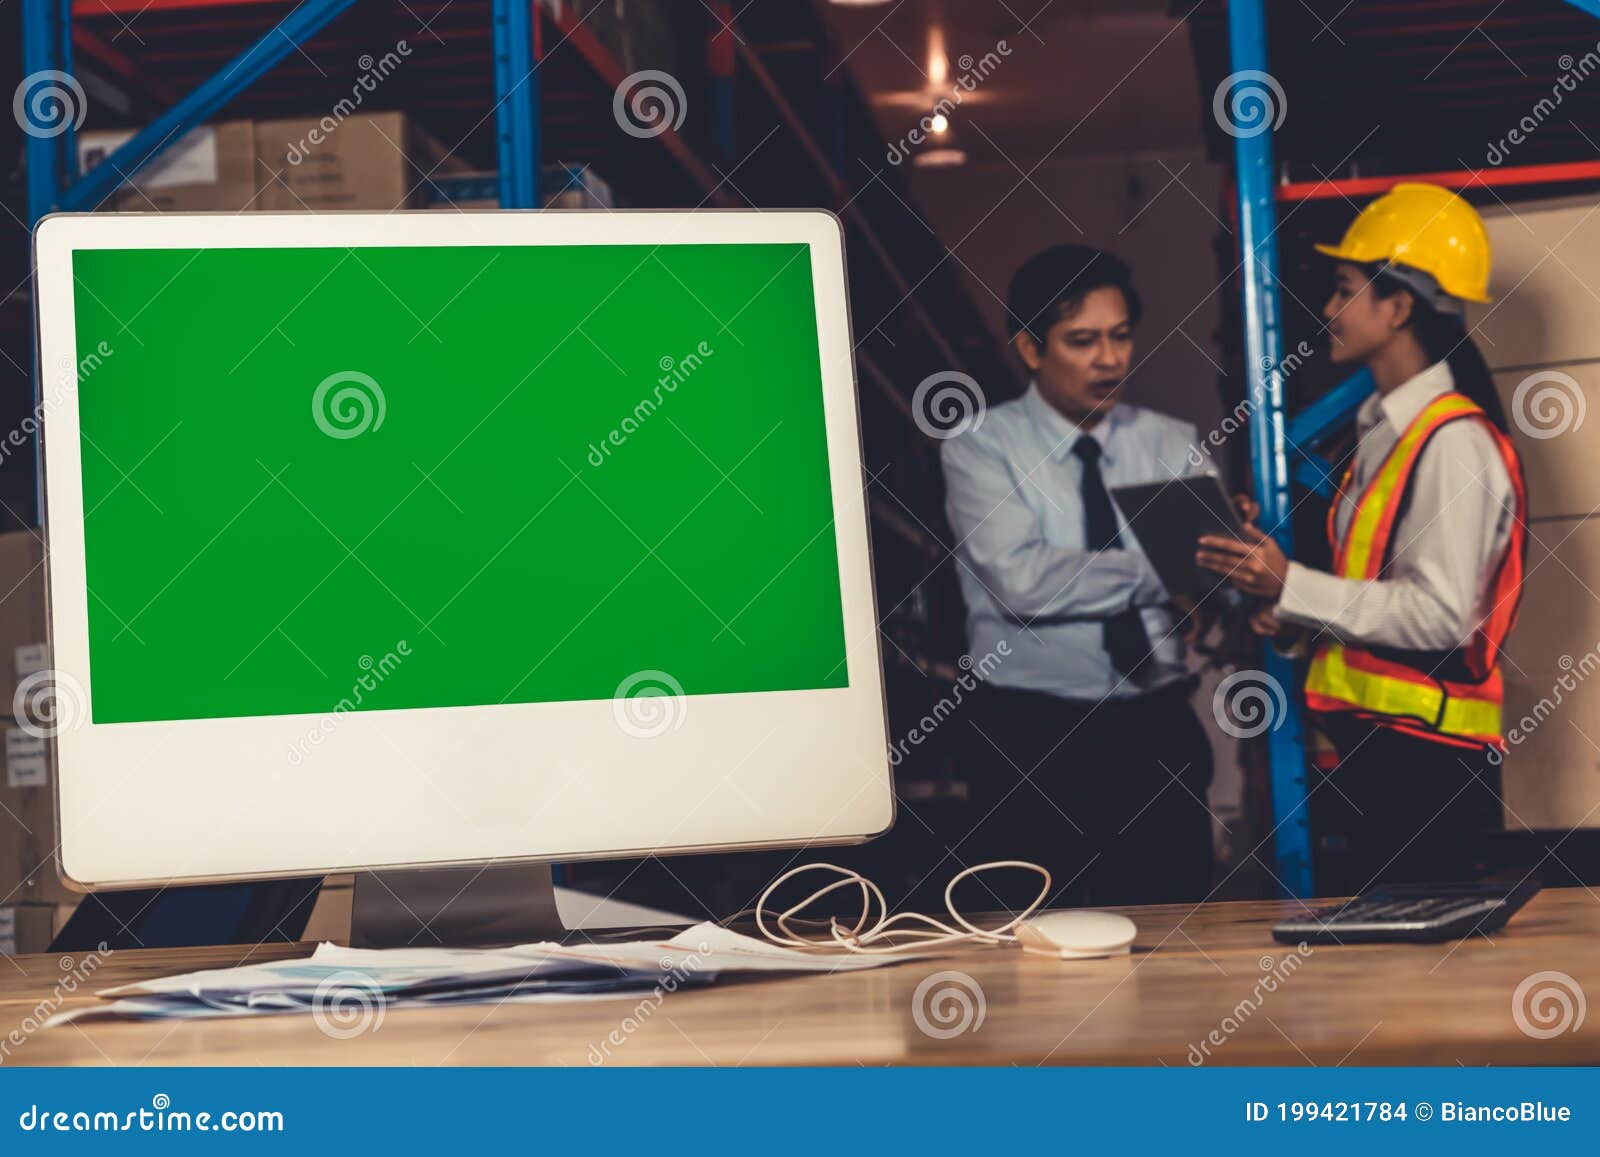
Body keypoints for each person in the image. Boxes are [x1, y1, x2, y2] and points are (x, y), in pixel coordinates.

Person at [1196, 183, 1526, 896]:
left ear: (1398, 308)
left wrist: (1291, 584)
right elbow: (1378, 596)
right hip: (1382, 754)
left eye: (1345, 290)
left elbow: (1440, 616)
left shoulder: (1454, 442)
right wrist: (1287, 612)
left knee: (1422, 956)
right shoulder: (1385, 431)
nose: (1328, 310)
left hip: (1430, 768)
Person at [942, 243, 1227, 909]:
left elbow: (1213, 571)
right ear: (1030, 348)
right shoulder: (981, 445)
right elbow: (1023, 581)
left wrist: (1205, 570)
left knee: (1175, 932)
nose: (1109, 359)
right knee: (1032, 937)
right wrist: (1165, 571)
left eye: (1120, 336)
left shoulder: (1168, 441)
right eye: (1082, 340)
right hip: (1030, 739)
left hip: (1156, 730)